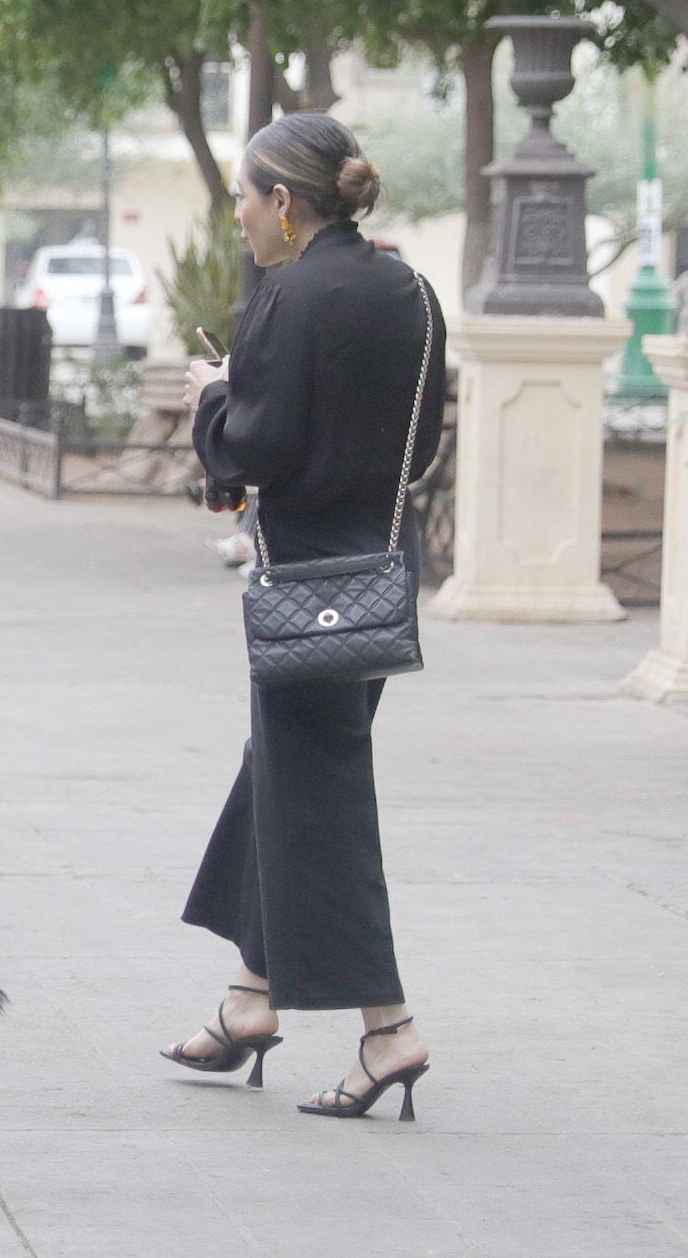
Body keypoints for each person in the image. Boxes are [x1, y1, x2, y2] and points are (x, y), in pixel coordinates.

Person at [163, 112, 441, 1121]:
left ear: (283, 201)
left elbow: (255, 448)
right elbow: (418, 450)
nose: (237, 217)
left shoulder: (286, 294)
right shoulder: (409, 288)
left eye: (244, 197)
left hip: (306, 580)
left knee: (316, 792)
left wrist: (209, 400)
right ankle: (252, 993)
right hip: (379, 564)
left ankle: (386, 1027)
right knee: (282, 767)